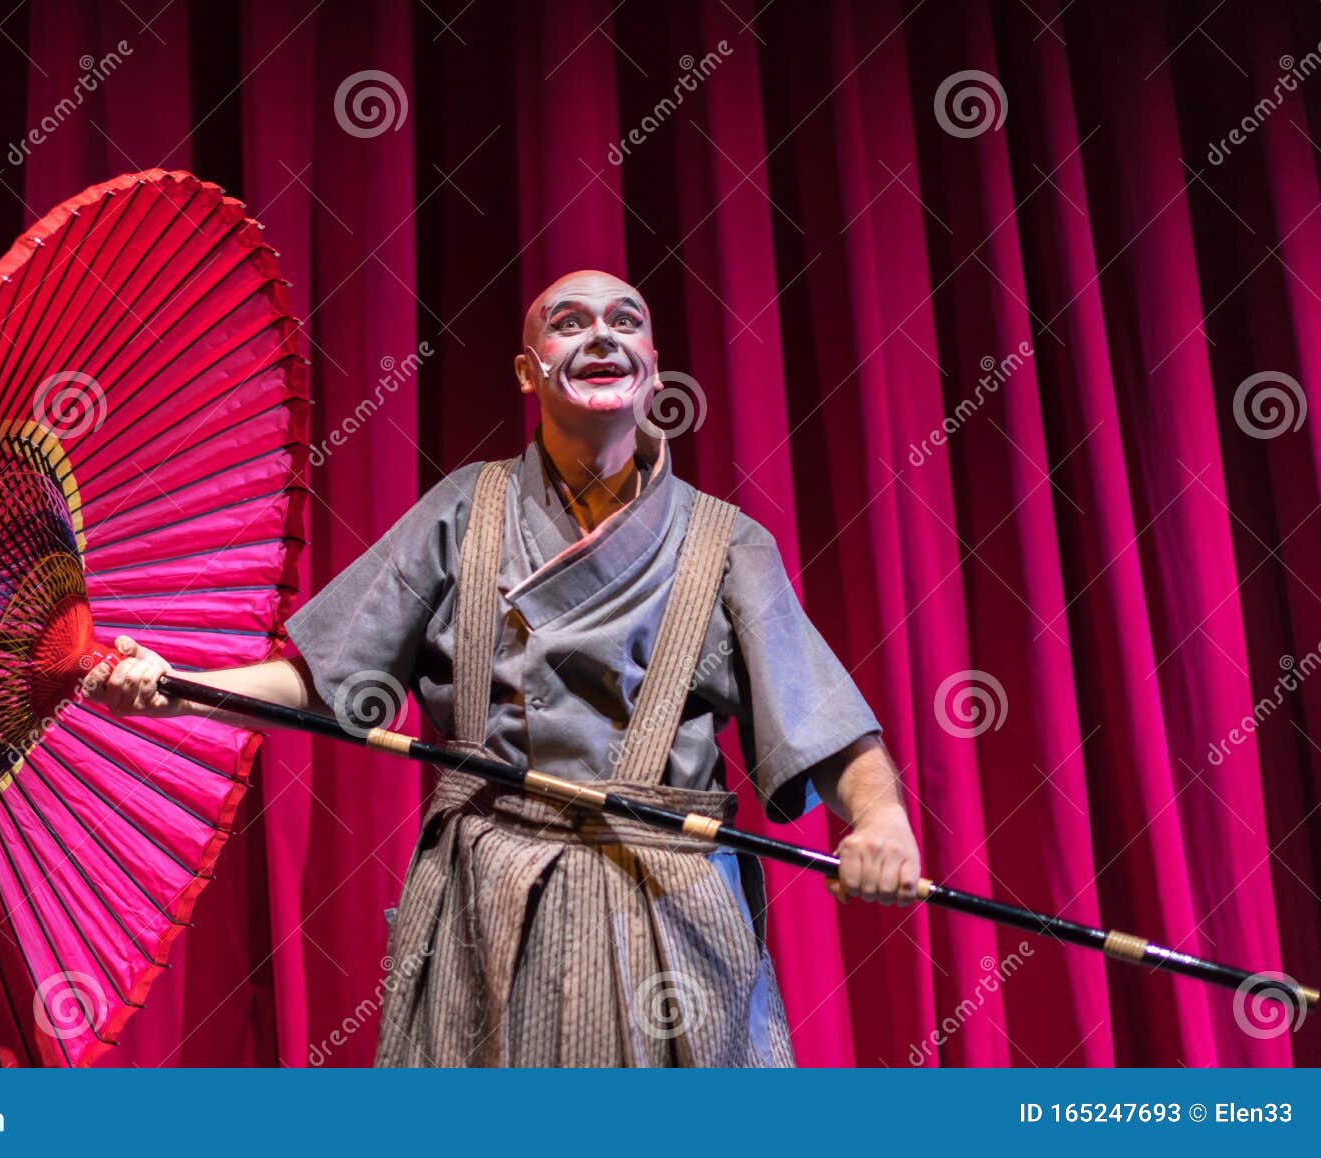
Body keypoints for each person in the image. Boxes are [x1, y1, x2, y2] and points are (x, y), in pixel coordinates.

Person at [89, 270, 921, 1066]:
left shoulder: (727, 543)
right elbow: (323, 681)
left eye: (625, 322)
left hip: (668, 907)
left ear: (653, 369)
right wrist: (177, 693)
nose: (603, 335)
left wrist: (880, 821)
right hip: (486, 898)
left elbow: (824, 727)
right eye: (572, 322)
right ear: (529, 372)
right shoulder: (464, 509)